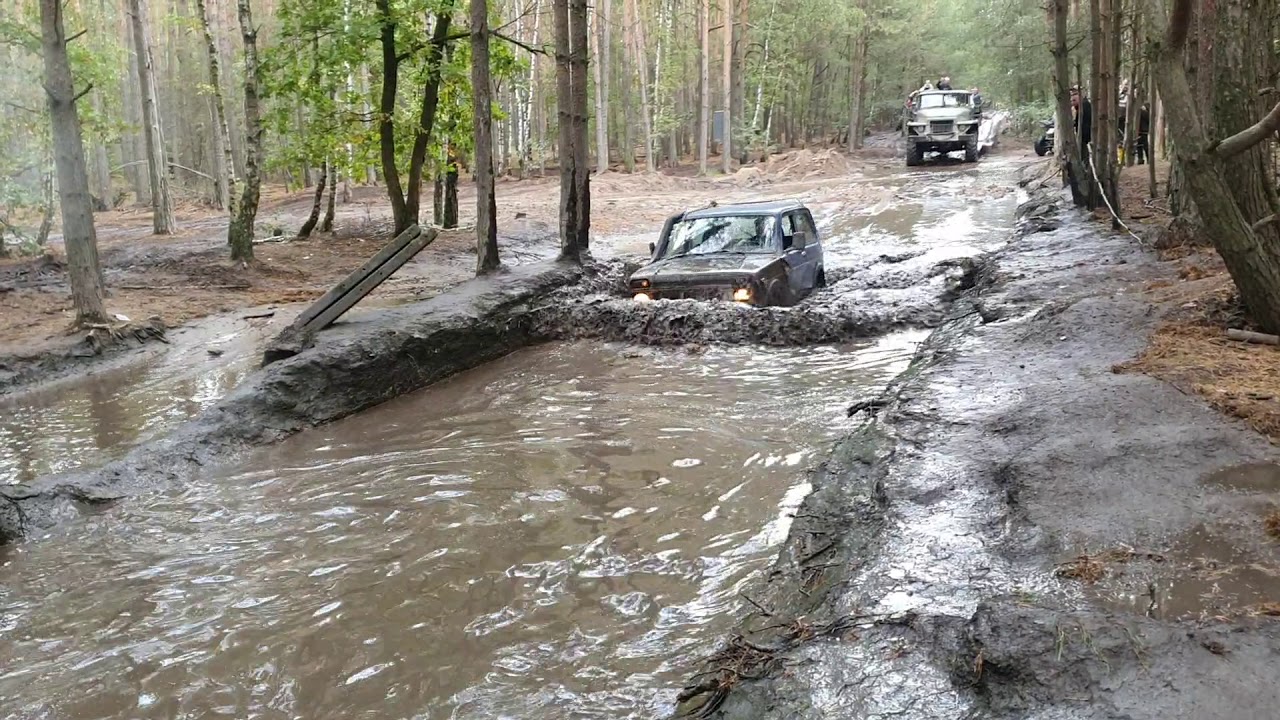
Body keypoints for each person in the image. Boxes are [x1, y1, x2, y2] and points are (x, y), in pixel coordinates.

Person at [1070, 86, 1092, 155]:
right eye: (1072, 95)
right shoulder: (1076, 108)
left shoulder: (1085, 106)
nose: (1073, 97)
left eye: (1075, 94)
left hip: (1087, 138)